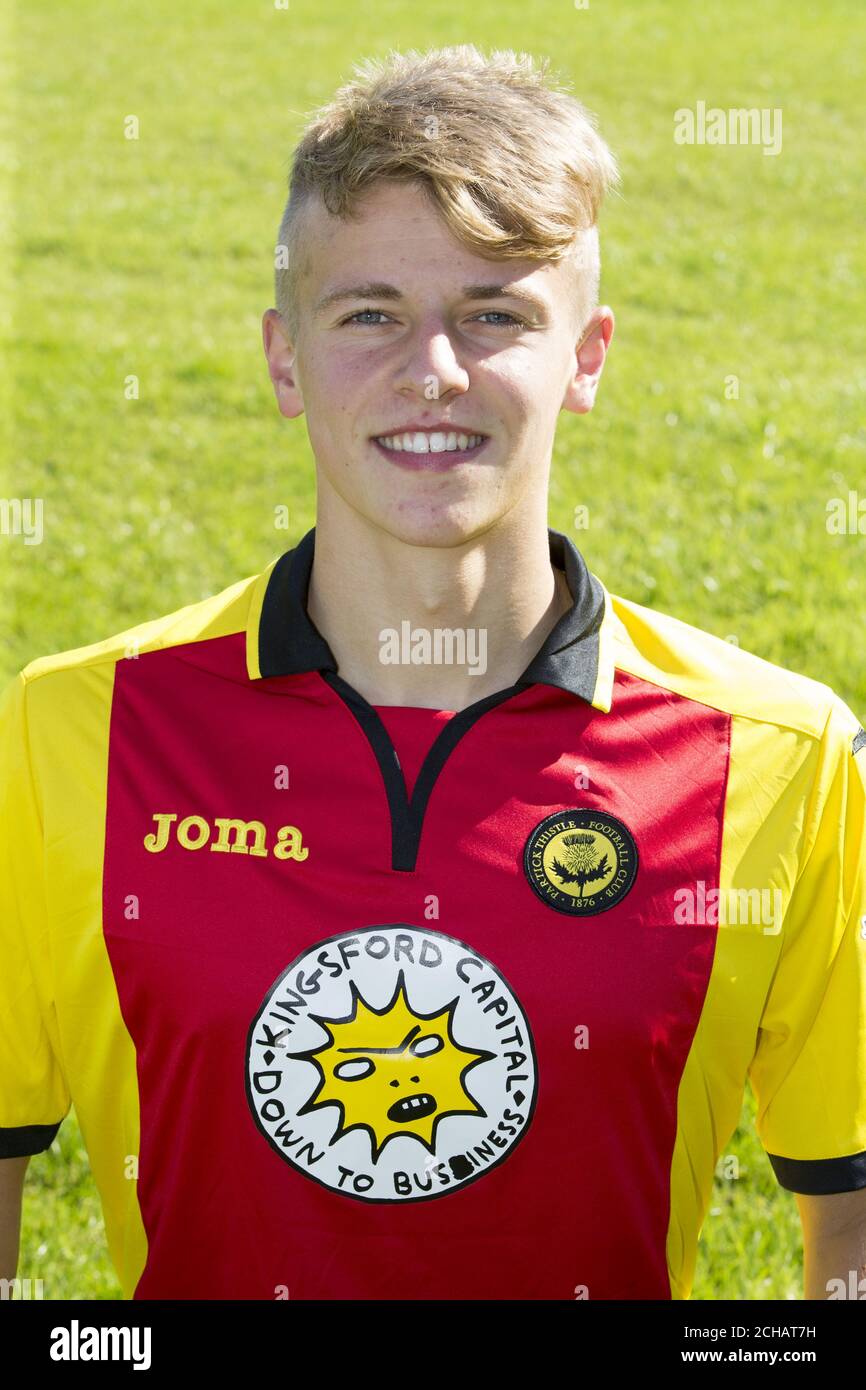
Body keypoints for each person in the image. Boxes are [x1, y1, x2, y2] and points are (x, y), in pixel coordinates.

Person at [1, 44, 864, 1302]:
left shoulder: (777, 755)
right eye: (369, 315)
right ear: (283, 358)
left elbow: (846, 1205)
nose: (434, 372)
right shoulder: (76, 725)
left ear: (586, 357)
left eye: (493, 313)